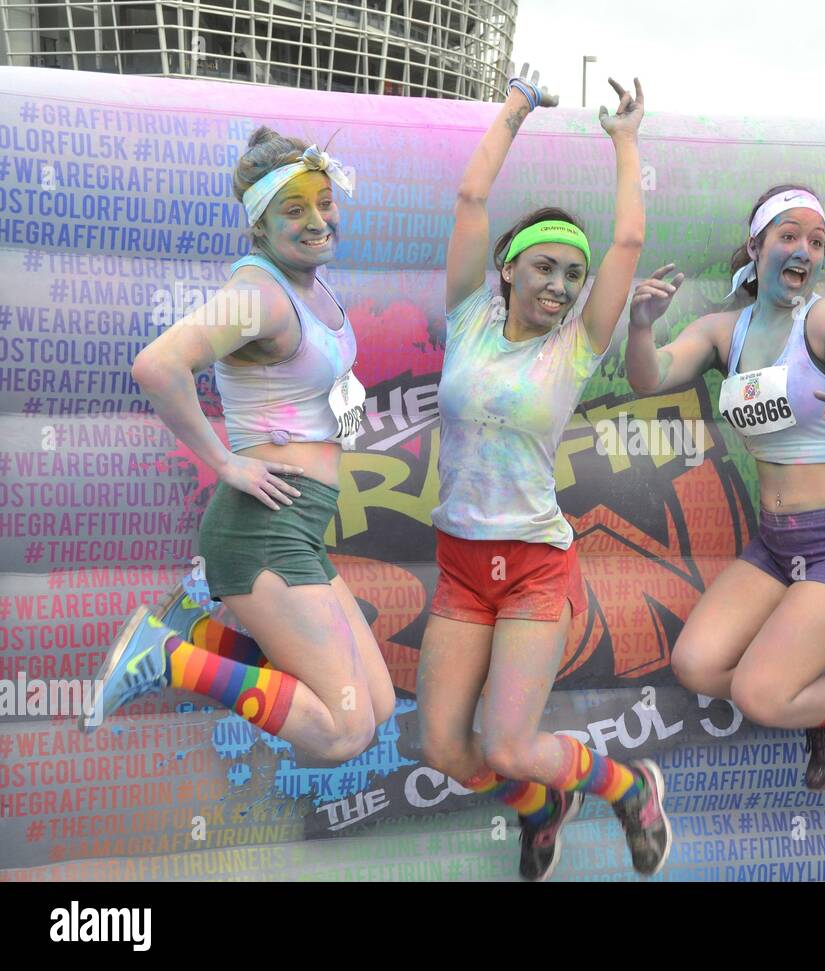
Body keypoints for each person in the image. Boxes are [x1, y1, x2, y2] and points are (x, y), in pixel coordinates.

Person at [416, 68, 670, 882]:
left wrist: (625, 142)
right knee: (445, 748)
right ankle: (538, 805)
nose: (560, 286)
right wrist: (516, 108)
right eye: (545, 268)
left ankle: (627, 784)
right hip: (461, 561)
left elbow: (626, 243)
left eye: (572, 274)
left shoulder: (576, 348)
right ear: (508, 270)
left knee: (511, 744)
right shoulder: (468, 319)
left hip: (530, 563)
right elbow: (468, 200)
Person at [85, 129, 395, 770]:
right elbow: (157, 366)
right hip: (263, 531)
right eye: (294, 210)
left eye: (323, 202)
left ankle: (197, 635)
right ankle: (169, 655)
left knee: (377, 706)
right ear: (260, 224)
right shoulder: (260, 296)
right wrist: (225, 461)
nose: (317, 221)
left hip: (299, 525)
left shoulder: (313, 285)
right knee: (342, 732)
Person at [624, 184, 825, 796]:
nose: (805, 251)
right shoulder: (721, 332)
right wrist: (640, 325)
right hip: (776, 542)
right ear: (755, 245)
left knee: (760, 693)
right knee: (697, 664)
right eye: (788, 236)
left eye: (816, 242)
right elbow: (649, 377)